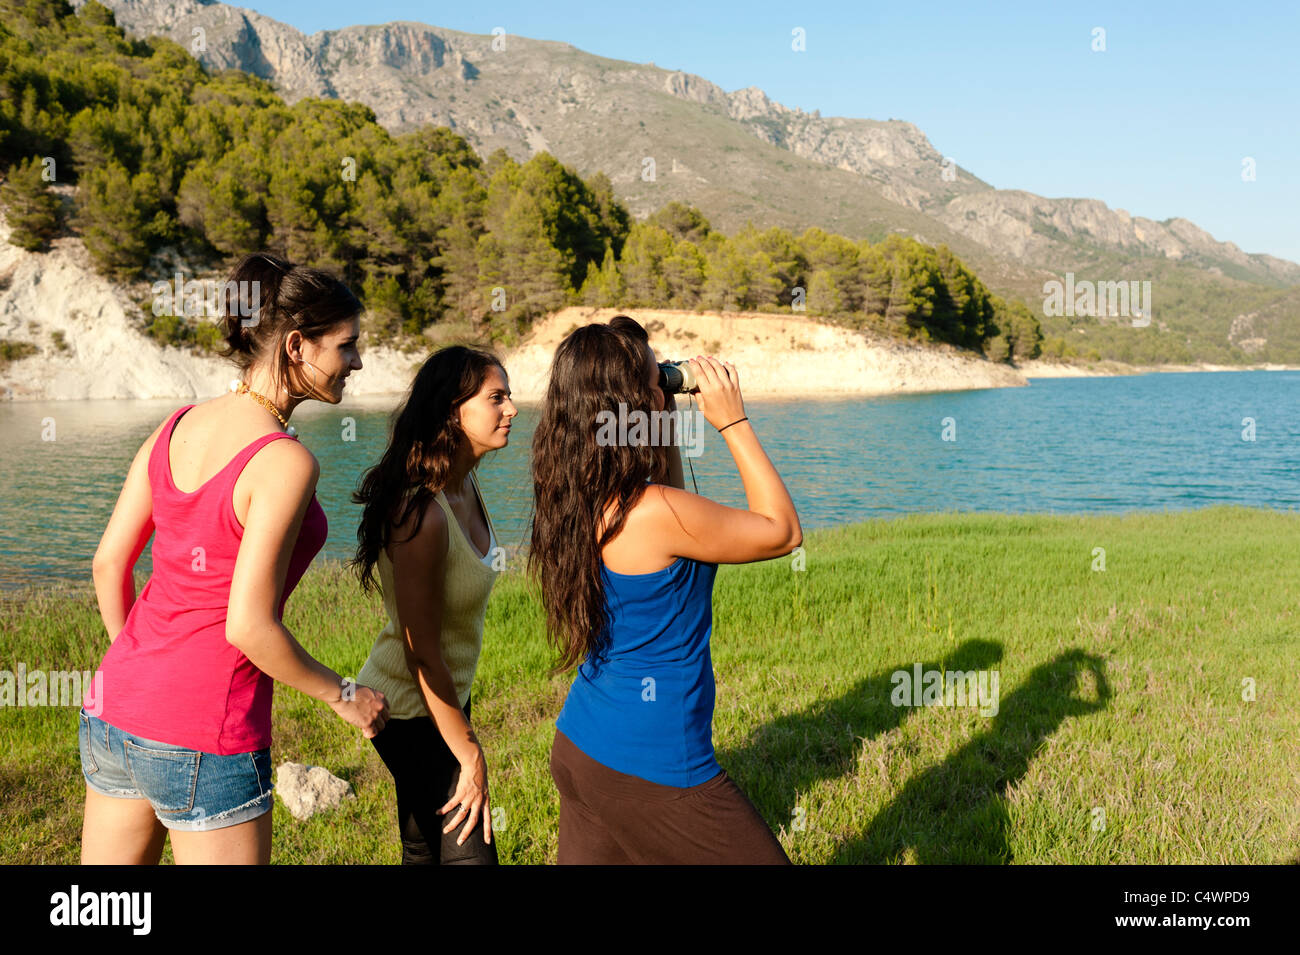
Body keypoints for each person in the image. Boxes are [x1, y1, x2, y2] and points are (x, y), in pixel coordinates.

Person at [80, 252, 389, 865]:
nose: (357, 362)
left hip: (114, 710)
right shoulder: (284, 461)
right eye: (347, 346)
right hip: (206, 733)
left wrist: (136, 673)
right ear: (297, 345)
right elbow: (248, 626)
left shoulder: (176, 426)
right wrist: (344, 695)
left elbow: (108, 564)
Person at [529, 314, 801, 864]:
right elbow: (782, 532)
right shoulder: (654, 513)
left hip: (582, 747)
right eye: (659, 380)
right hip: (656, 767)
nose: (668, 386)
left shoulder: (580, 495)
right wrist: (733, 422)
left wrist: (660, 423)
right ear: (633, 402)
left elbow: (669, 505)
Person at [352, 346, 517, 865]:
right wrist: (469, 751)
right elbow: (422, 651)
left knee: (424, 847)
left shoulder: (465, 483)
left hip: (442, 698)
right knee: (471, 852)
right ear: (453, 410)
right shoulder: (423, 515)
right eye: (496, 398)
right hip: (405, 707)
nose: (511, 408)